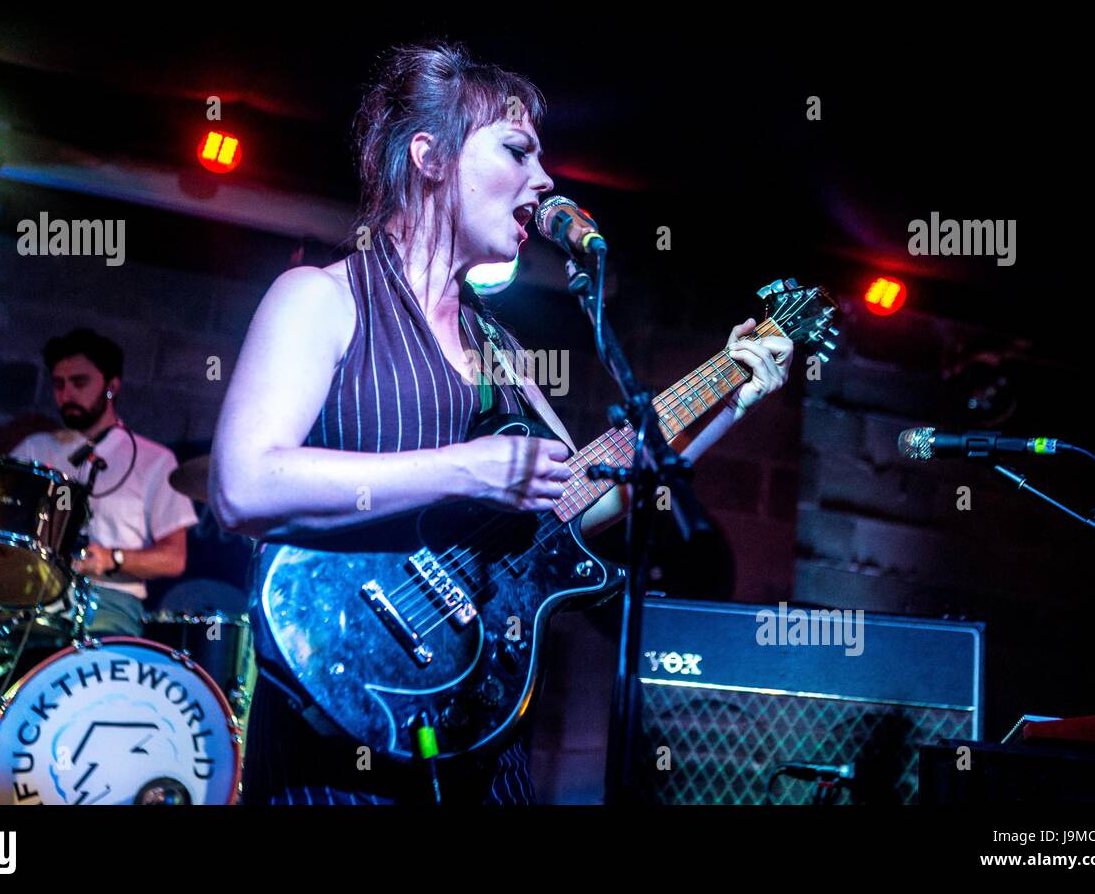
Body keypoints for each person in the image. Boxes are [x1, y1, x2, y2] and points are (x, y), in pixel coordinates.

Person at [210, 41, 794, 805]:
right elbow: (243, 485)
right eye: (517, 150)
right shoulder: (321, 298)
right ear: (430, 157)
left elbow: (586, 496)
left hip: (482, 742)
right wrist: (466, 467)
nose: (545, 180)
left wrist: (730, 394)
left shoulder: (503, 350)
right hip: (336, 731)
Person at [0, 328, 199, 794]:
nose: (65, 393)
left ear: (112, 385)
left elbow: (173, 559)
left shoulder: (155, 461)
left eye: (79, 382)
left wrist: (113, 558)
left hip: (108, 599)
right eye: (59, 383)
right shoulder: (35, 451)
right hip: (22, 594)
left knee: (95, 665)